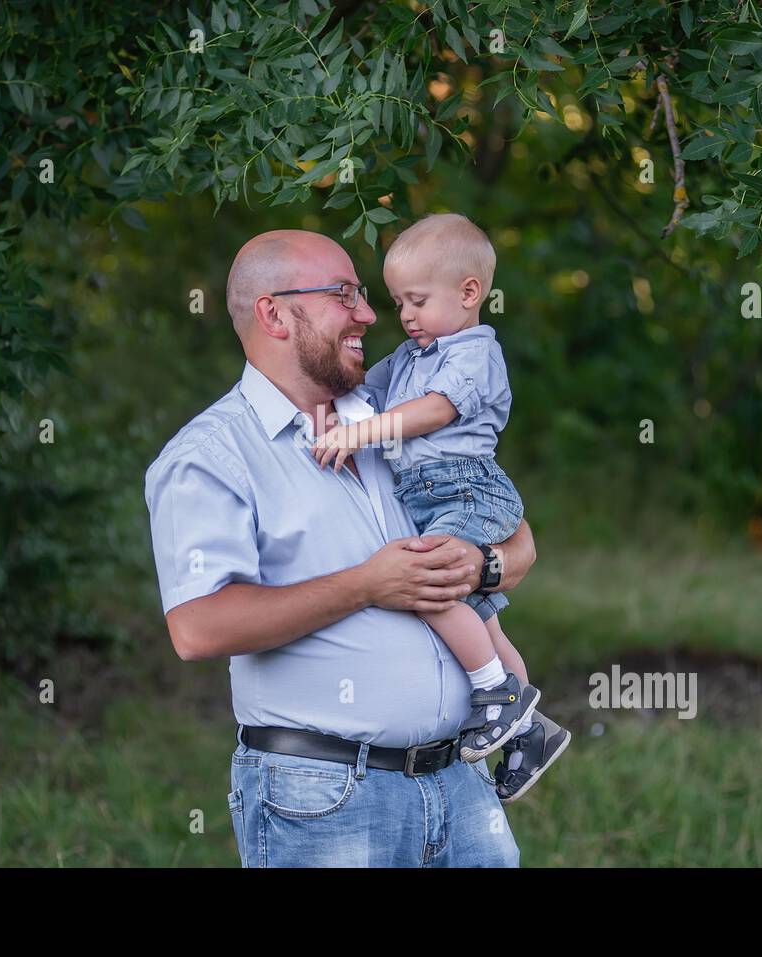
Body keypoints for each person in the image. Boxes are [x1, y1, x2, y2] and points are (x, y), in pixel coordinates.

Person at [144, 229, 537, 867]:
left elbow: (518, 545)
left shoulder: (385, 419)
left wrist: (484, 566)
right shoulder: (211, 456)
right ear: (273, 313)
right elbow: (197, 628)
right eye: (343, 294)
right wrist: (365, 584)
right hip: (325, 797)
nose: (370, 313)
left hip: (460, 786)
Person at [310, 213, 571, 802]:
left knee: (426, 583)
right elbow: (361, 392)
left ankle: (496, 693)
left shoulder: (475, 353)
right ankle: (530, 732)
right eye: (399, 302)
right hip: (427, 497)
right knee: (479, 615)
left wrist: (362, 433)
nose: (404, 316)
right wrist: (332, 409)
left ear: (469, 293)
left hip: (469, 489)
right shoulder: (408, 354)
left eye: (417, 300)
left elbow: (435, 412)